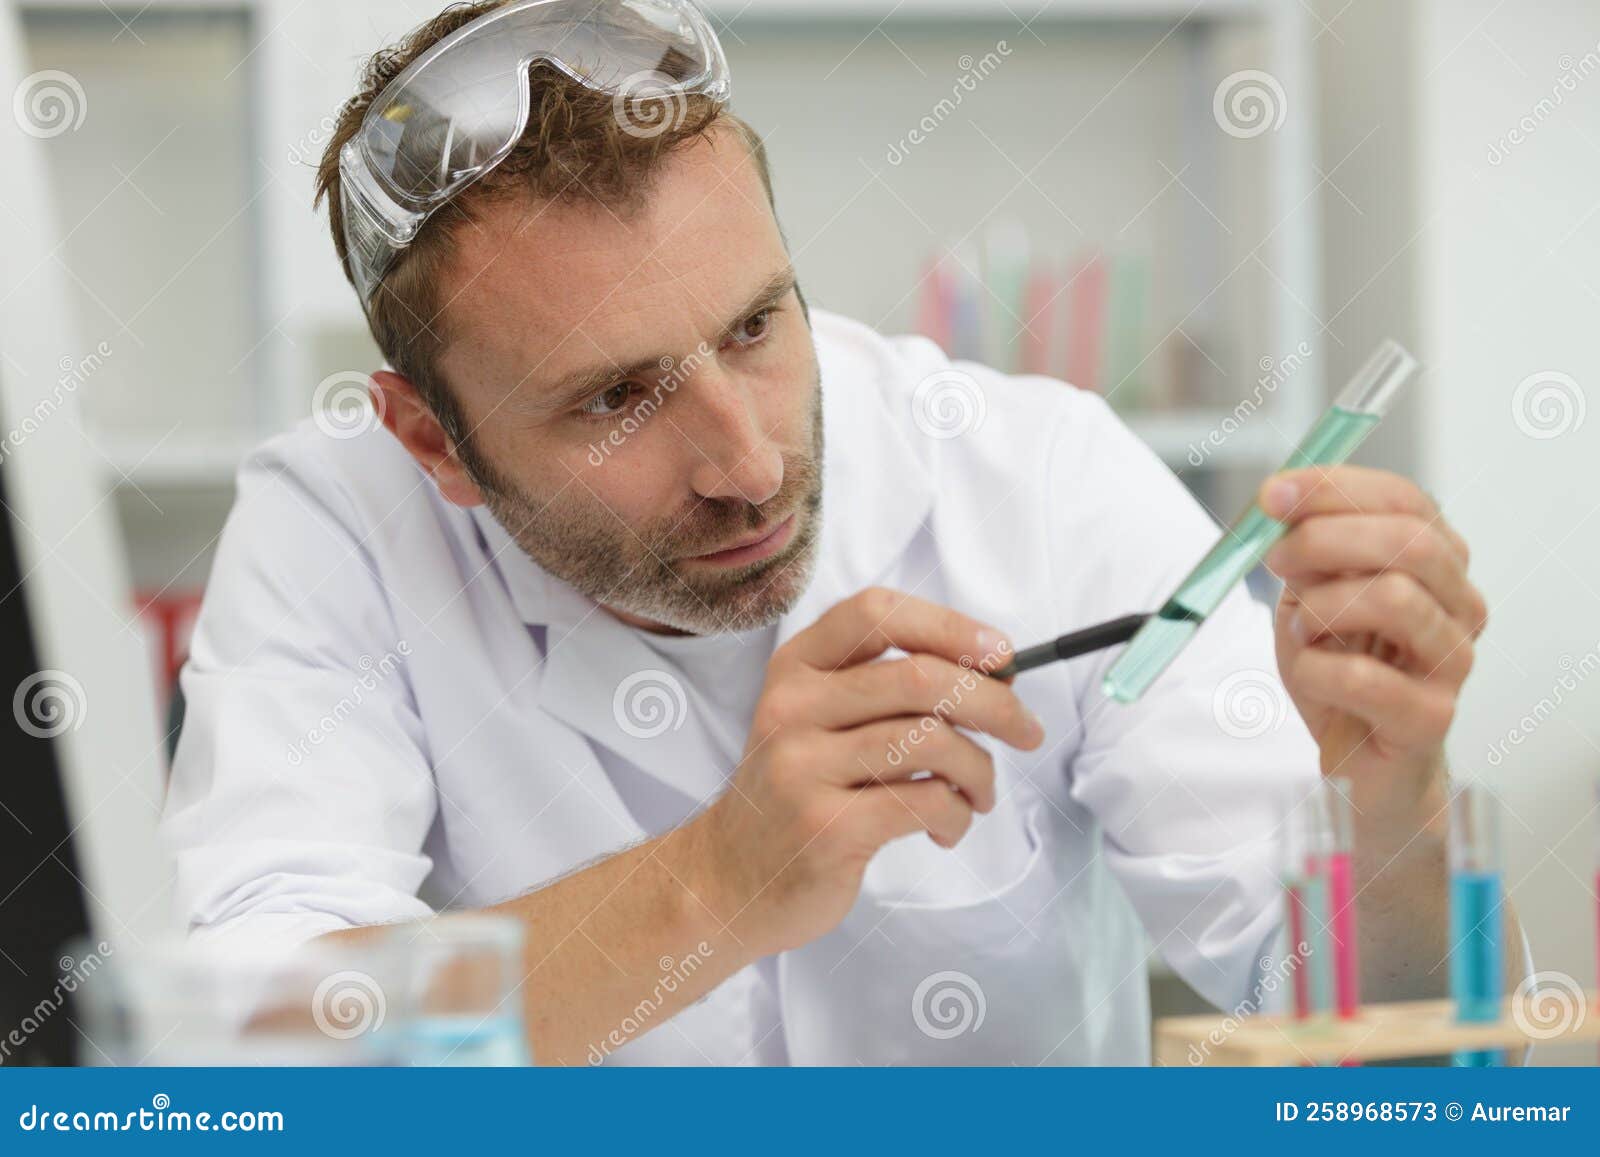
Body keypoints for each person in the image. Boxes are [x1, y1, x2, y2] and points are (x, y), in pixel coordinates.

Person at [160, 0, 1517, 1065]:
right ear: (429, 440)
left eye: (755, 325)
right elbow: (254, 1053)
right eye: (615, 397)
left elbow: (1393, 1051)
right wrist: (713, 884)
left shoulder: (1035, 475)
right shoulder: (338, 528)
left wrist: (1393, 809)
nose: (751, 463)